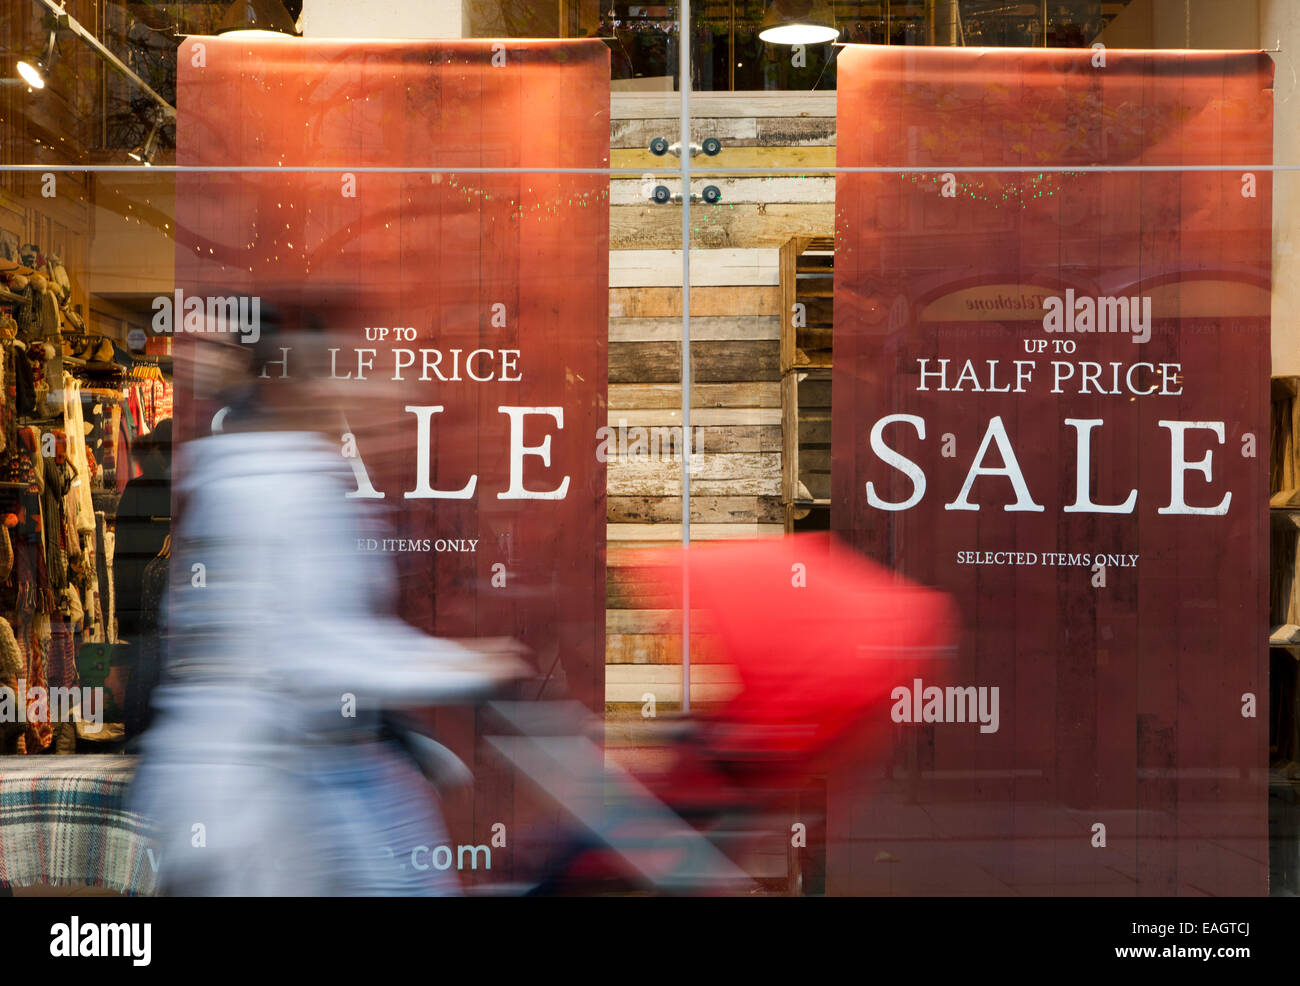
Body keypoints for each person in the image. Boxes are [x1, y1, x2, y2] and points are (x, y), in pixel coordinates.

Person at [128, 299, 524, 895]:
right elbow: (313, 649)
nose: (376, 402)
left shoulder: (245, 476)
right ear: (302, 390)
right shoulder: (288, 488)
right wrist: (466, 667)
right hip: (271, 781)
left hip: (259, 772)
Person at [113, 417, 171, 741]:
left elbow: (122, 561)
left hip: (147, 618)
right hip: (145, 618)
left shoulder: (141, 491)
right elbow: (124, 563)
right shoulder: (140, 492)